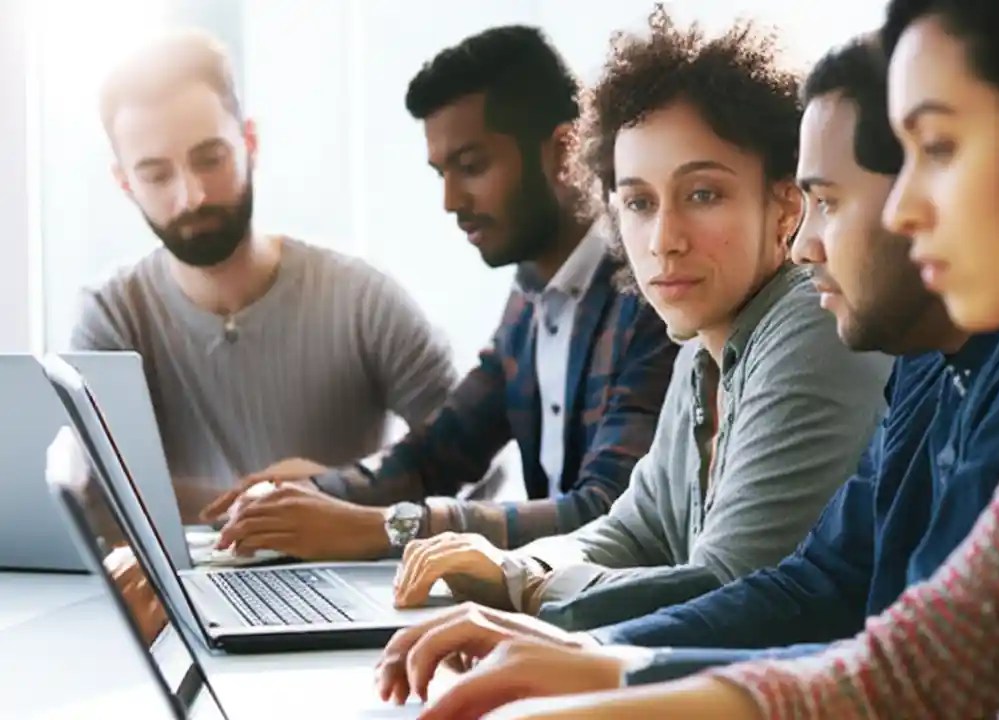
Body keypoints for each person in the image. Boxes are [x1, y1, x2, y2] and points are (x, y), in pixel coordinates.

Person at [446, 1, 999, 717]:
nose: (905, 208)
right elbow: (914, 668)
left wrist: (585, 657)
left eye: (938, 148)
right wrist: (604, 673)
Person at [369, 35, 999, 715]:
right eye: (637, 202)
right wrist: (596, 652)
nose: (806, 244)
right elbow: (820, 581)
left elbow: (905, 662)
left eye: (701, 194)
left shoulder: (995, 362)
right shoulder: (915, 361)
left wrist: (573, 637)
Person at [383, 7, 893, 630]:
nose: (664, 239)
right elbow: (627, 533)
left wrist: (524, 587)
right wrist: (508, 566)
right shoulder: (700, 356)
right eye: (639, 202)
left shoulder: (809, 325)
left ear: (785, 206)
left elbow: (730, 587)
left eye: (703, 194)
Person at [204, 26, 680, 560]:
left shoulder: (651, 294)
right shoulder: (531, 298)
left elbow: (609, 513)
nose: (451, 201)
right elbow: (438, 454)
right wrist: (310, 496)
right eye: (441, 173)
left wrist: (389, 528)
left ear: (564, 151)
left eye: (472, 166)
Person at [72, 29, 458, 523]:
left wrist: (345, 494)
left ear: (249, 142)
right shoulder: (112, 317)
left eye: (210, 159)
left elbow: (474, 463)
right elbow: (97, 495)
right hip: (189, 591)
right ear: (125, 183)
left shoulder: (362, 299)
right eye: (156, 175)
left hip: (350, 583)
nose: (191, 197)